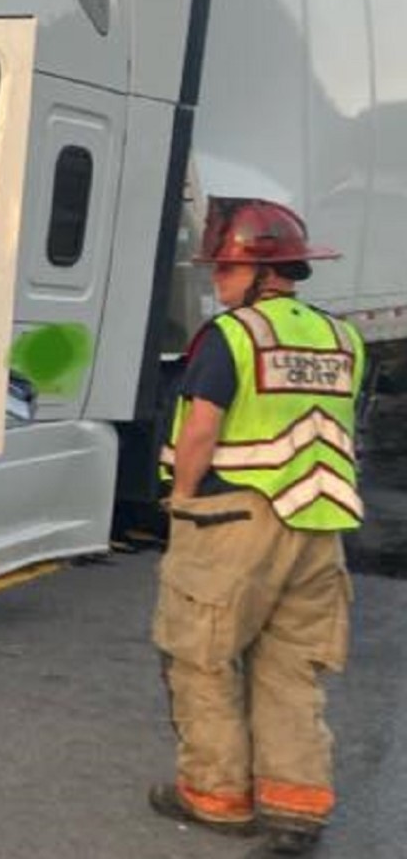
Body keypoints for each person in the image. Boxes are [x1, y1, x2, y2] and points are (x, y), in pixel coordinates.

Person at [149, 198, 368, 856]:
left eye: (225, 269)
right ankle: (296, 806)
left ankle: (215, 795)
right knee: (290, 667)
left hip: (237, 520)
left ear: (261, 272)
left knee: (201, 654)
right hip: (321, 528)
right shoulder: (343, 337)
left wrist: (181, 502)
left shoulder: (233, 335)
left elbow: (203, 427)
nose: (216, 280)